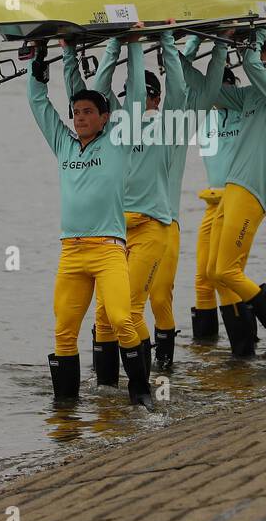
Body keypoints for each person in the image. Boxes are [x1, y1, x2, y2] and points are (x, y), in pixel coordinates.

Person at [31, 33, 152, 406]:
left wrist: (132, 44)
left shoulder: (117, 141)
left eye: (88, 112)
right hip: (71, 253)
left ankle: (140, 390)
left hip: (108, 250)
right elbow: (39, 104)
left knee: (120, 319)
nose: (81, 118)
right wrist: (39, 61)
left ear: (104, 117)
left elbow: (133, 99)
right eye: (77, 112)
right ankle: (65, 407)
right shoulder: (64, 143)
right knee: (64, 332)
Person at [71, 31, 182, 382]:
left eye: (150, 96)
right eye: (136, 96)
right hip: (117, 232)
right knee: (104, 313)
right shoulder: (113, 129)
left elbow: (176, 89)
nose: (142, 101)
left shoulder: (167, 125)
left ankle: (145, 389)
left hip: (153, 227)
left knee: (132, 311)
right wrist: (114, 44)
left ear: (156, 99)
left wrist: (162, 43)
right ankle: (106, 392)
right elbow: (98, 90)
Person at [207, 29, 266, 358]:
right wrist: (185, 56)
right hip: (233, 186)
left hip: (253, 189)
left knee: (227, 270)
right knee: (213, 272)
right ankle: (243, 347)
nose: (257, 70)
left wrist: (252, 35)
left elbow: (250, 64)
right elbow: (207, 91)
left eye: (264, 65)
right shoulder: (250, 97)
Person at [180, 36, 245, 348]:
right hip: (211, 204)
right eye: (215, 86)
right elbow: (183, 75)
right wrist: (190, 41)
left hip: (237, 202)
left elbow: (262, 79)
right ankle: (204, 349)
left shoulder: (248, 111)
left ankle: (242, 345)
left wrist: (235, 43)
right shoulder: (203, 114)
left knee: (225, 275)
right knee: (203, 279)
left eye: (226, 85)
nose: (221, 92)